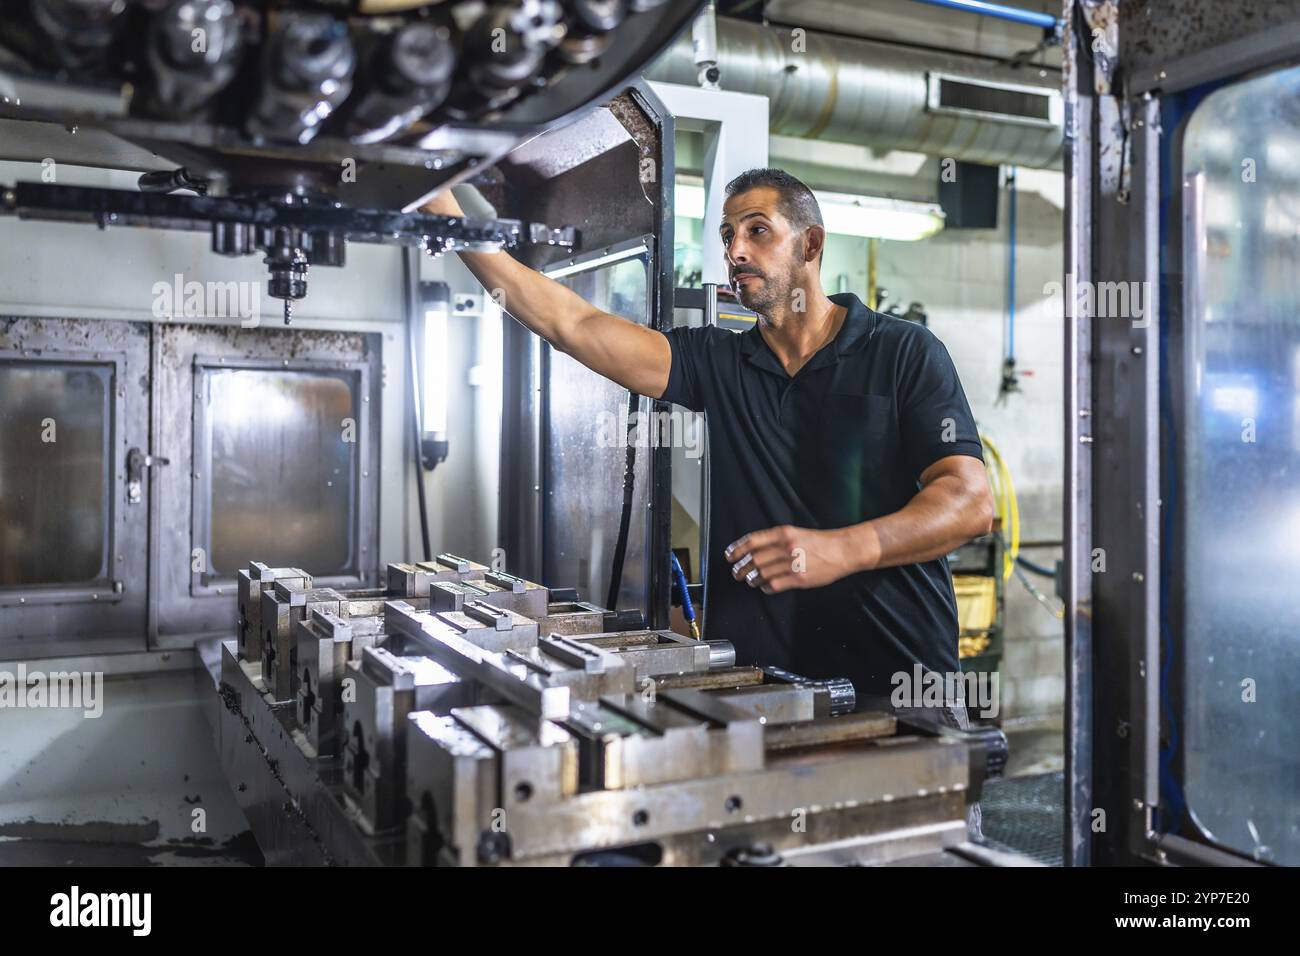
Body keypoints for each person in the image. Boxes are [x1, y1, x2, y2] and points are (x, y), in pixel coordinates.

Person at [424, 167, 994, 837]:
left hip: (900, 691)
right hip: (765, 703)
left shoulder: (902, 353)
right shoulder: (719, 364)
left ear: (810, 245)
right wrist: (436, 202)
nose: (737, 251)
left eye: (758, 231)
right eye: (727, 236)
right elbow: (570, 322)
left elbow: (968, 502)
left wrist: (842, 549)